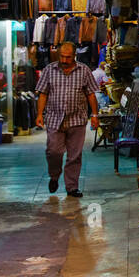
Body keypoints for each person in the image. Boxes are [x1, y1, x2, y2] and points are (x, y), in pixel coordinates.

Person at [36, 40, 100, 198]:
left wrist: (94, 115)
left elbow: (91, 94)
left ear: (74, 56)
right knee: (53, 151)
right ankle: (54, 176)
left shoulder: (84, 71)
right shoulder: (49, 70)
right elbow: (43, 93)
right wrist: (39, 114)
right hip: (54, 118)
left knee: (75, 155)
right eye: (62, 57)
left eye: (68, 57)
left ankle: (72, 187)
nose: (64, 60)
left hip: (77, 119)